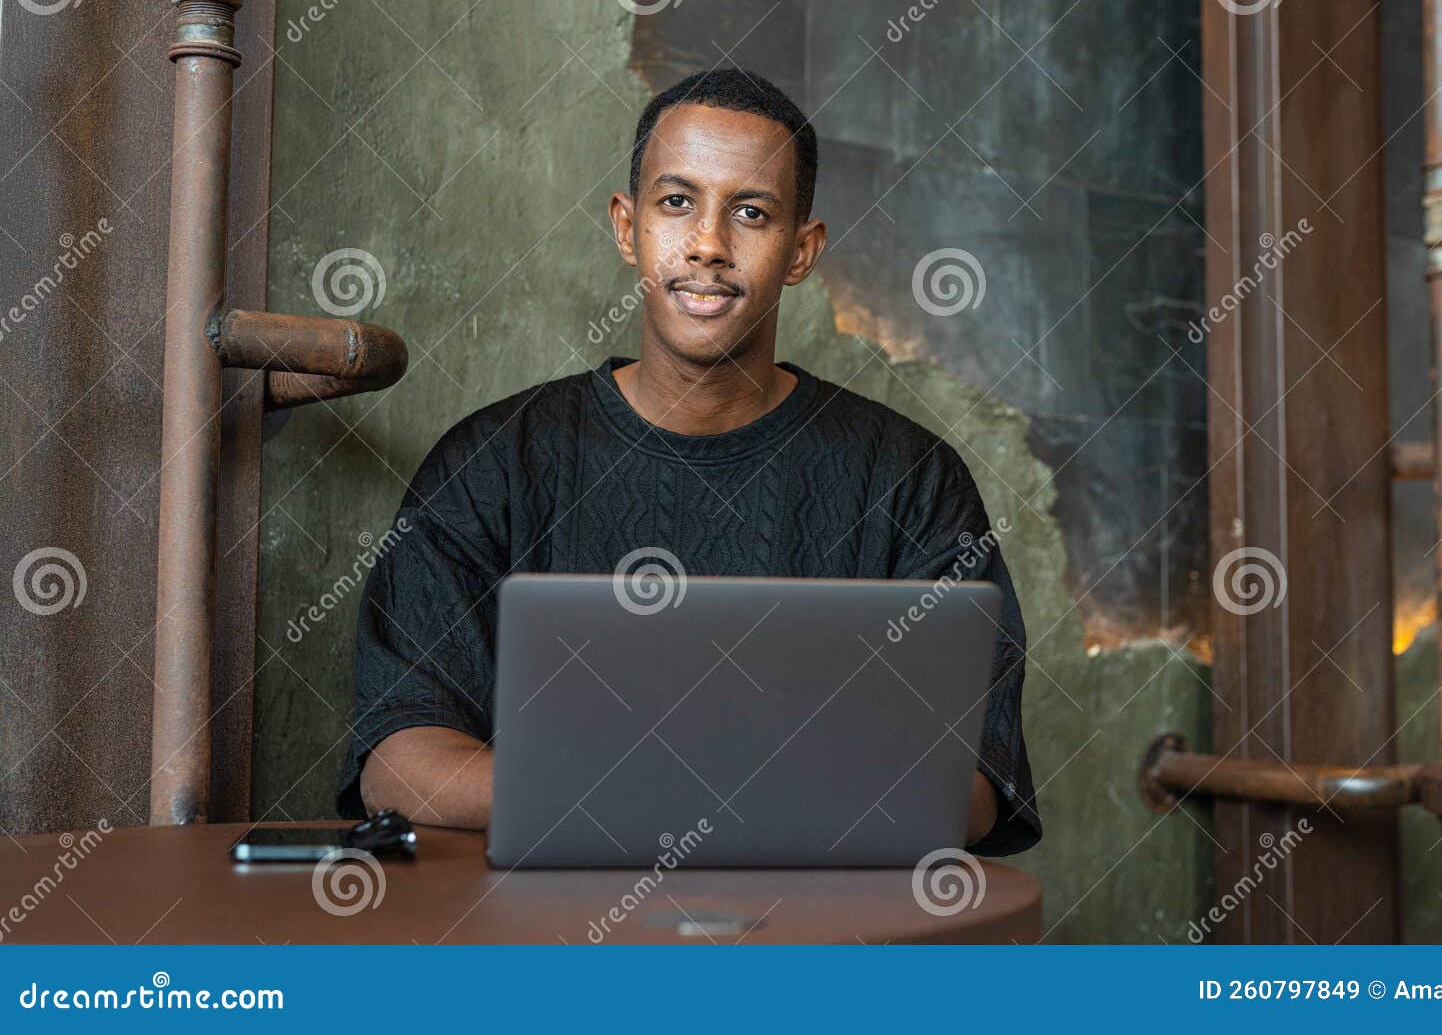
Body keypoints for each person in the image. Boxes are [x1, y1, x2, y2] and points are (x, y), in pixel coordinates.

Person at [337, 67, 1042, 856]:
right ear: (626, 226)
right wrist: (668, 804)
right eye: (677, 203)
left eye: (751, 211)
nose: (708, 243)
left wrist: (688, 807)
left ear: (802, 251)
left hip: (817, 950)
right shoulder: (494, 463)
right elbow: (399, 760)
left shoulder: (910, 481)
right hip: (550, 951)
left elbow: (975, 784)